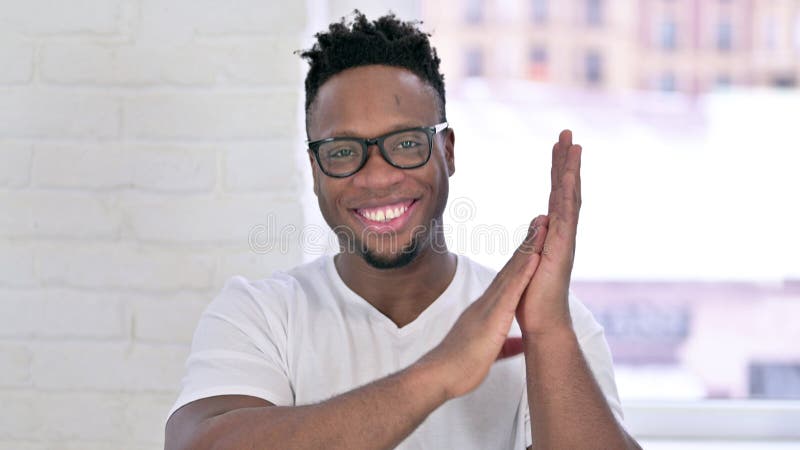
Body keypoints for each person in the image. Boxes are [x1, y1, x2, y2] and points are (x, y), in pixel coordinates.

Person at [165, 11, 641, 450]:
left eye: (407, 143)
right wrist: (439, 372)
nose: (376, 176)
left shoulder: (552, 325)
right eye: (343, 150)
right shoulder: (260, 315)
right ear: (314, 170)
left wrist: (548, 329)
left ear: (448, 152)